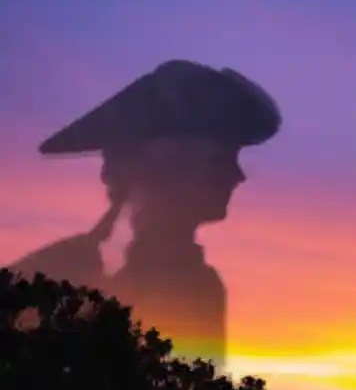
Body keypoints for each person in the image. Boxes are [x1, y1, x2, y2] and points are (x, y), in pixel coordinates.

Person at [8, 60, 281, 369]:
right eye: (220, 158)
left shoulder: (199, 285)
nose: (237, 175)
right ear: (166, 162)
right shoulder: (49, 280)